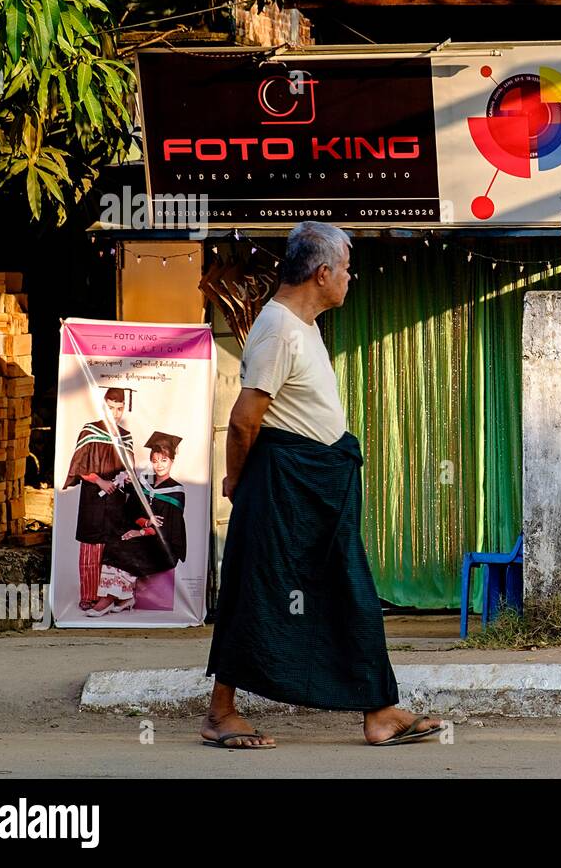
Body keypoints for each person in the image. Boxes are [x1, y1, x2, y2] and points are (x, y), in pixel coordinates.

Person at [202, 221, 444, 749]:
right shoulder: (277, 328)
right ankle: (221, 713)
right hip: (285, 483)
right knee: (260, 587)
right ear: (322, 272)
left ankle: (379, 711)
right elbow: (245, 420)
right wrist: (239, 485)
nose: (350, 279)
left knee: (345, 589)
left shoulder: (300, 325)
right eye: (348, 270)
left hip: (315, 483)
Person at [87, 432, 188, 617]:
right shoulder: (146, 483)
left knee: (128, 546)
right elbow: (133, 511)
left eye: (164, 460)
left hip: (162, 545)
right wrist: (142, 521)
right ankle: (124, 598)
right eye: (155, 460)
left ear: (172, 461)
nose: (159, 465)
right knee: (115, 542)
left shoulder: (176, 491)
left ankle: (108, 599)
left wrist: (140, 532)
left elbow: (167, 527)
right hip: (144, 535)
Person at [62, 388, 134, 610]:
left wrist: (127, 478)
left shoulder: (125, 436)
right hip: (93, 497)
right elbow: (79, 466)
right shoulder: (90, 431)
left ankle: (109, 595)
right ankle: (88, 596)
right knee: (91, 546)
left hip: (116, 501)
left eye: (119, 408)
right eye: (111, 408)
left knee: (111, 547)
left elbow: (130, 469)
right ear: (104, 406)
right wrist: (99, 481)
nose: (115, 413)